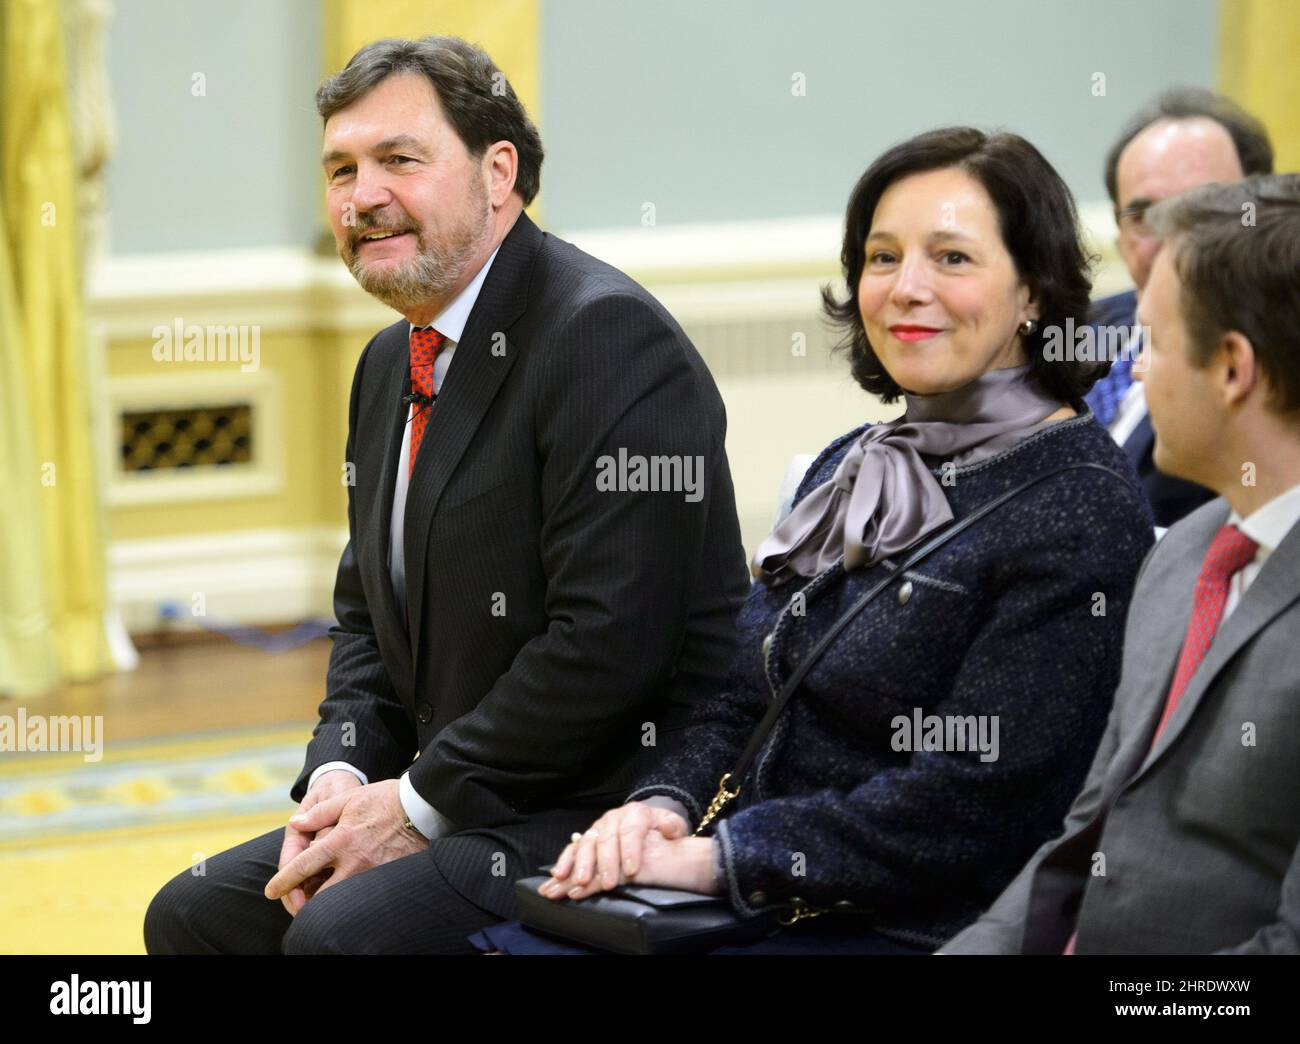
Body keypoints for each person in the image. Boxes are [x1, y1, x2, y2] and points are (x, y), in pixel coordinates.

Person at [480, 127, 1156, 954]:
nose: (906, 288)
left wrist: (719, 860)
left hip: (905, 924)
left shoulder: (1080, 506)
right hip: (750, 892)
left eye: (952, 258)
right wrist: (658, 809)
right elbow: (737, 698)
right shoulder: (853, 463)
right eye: (882, 257)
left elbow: (975, 804)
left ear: (1034, 293)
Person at [143, 35, 750, 955]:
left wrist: (415, 805)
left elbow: (607, 646)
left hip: (603, 807)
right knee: (191, 917)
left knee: (333, 938)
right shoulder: (391, 359)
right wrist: (343, 776)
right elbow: (365, 619)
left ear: (497, 173)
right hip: (463, 792)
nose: (362, 196)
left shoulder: (607, 338)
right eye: (341, 169)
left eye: (399, 160)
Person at [943, 174, 1300, 955]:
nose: (1135, 372)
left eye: (1155, 343)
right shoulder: (1184, 554)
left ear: (1232, 368)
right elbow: (1083, 838)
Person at [1084, 88, 1273, 528]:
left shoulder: (1274, 367)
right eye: (1145, 215)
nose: (1172, 239)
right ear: (1119, 232)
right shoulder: (1070, 329)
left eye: (1202, 210)